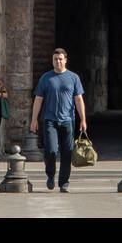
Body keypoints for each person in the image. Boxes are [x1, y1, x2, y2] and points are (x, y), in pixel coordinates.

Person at [28, 49, 86, 192]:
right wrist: (34, 119)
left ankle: (64, 182)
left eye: (60, 59)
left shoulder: (73, 78)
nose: (58, 61)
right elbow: (38, 99)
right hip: (50, 120)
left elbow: (78, 99)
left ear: (65, 60)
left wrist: (83, 119)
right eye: (55, 59)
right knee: (51, 150)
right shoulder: (46, 78)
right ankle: (50, 175)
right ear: (52, 60)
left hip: (68, 120)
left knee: (67, 152)